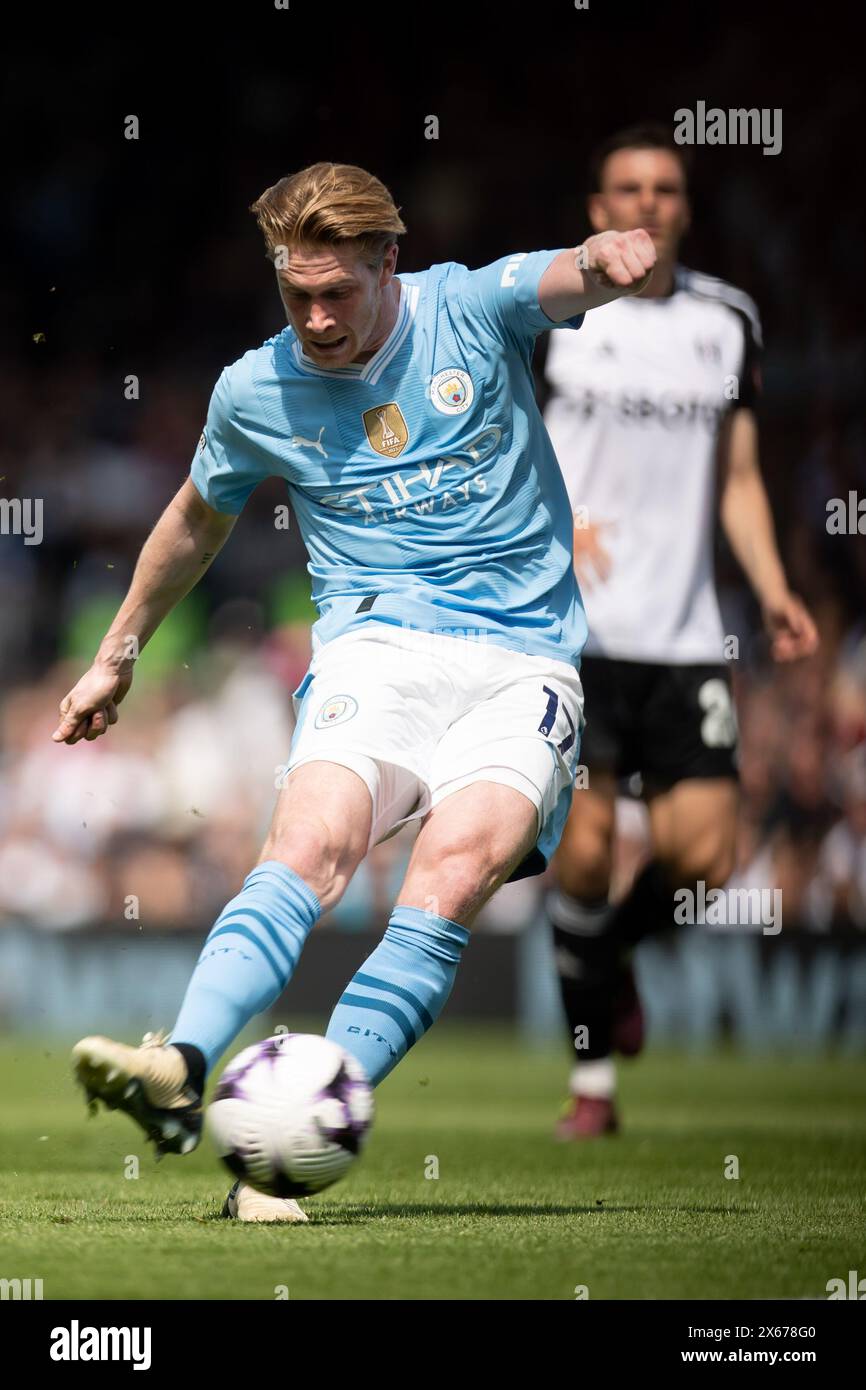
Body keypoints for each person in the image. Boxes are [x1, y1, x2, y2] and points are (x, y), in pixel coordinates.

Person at [53, 161, 657, 1218]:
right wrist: (119, 648)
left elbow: (561, 279)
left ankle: (289, 1135)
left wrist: (605, 264)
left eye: (339, 291)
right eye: (298, 295)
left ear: (391, 261)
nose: (319, 319)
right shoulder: (256, 390)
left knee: (451, 872)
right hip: (376, 651)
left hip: (521, 663)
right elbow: (199, 514)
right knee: (310, 844)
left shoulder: (468, 307)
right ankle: (184, 1065)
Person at [541, 125, 818, 1139]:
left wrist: (774, 588)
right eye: (626, 186)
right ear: (594, 206)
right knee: (575, 859)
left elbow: (738, 477)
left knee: (701, 857)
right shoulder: (551, 312)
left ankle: (607, 961)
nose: (645, 202)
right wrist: (548, 524)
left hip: (686, 631)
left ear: (682, 208)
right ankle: (592, 1087)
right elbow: (498, 442)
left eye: (663, 187)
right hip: (570, 632)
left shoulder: (725, 320)